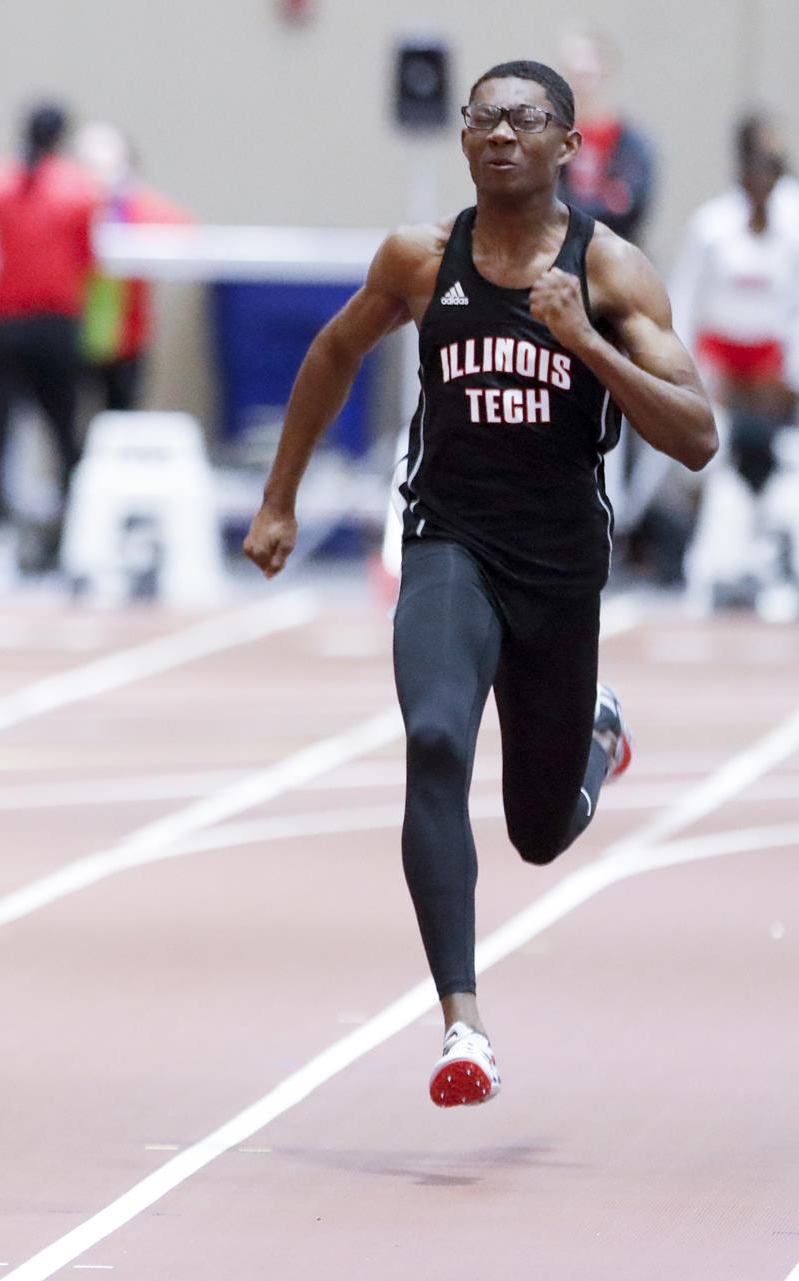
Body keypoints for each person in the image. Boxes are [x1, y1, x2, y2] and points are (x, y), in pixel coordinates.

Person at [243, 61, 715, 1108]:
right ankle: (461, 1025)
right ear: (463, 140)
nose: (498, 135)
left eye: (522, 119)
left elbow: (694, 436)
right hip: (447, 540)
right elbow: (331, 354)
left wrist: (583, 340)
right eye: (482, 119)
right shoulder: (418, 259)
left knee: (537, 833)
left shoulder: (612, 273)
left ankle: (595, 737)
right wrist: (278, 499)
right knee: (433, 738)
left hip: (558, 566)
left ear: (565, 142)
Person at [670, 115, 799, 610]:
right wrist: (691, 380)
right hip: (719, 374)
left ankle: (775, 564)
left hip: (773, 382)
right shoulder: (712, 227)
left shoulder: (792, 227)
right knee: (714, 469)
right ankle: (714, 566)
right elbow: (683, 304)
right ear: (743, 172)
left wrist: (785, 381)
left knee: (781, 473)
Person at [0, 102, 101, 572]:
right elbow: (89, 259)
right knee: (64, 433)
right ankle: (73, 537)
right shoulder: (78, 190)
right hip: (54, 326)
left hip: (3, 324)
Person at [74, 123, 192, 413]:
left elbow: (184, 233)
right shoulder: (67, 206)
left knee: (122, 415)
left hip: (127, 337)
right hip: (72, 333)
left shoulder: (142, 208)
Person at [557, 29, 657, 247]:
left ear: (605, 72)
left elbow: (630, 207)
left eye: (586, 75)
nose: (580, 85)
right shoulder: (553, 142)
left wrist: (572, 210)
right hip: (560, 254)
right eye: (572, 75)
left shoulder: (632, 145)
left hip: (618, 254)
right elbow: (545, 205)